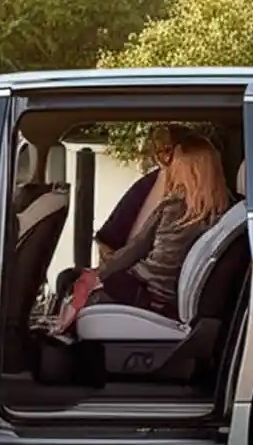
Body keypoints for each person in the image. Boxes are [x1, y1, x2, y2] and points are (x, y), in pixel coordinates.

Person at [87, 133, 231, 318]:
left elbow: (137, 248)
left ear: (183, 170)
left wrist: (99, 273)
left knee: (71, 280)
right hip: (170, 297)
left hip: (147, 292)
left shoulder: (174, 206)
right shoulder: (224, 211)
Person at [93, 124, 195, 264]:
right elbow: (108, 240)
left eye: (168, 150)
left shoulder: (195, 196)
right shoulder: (148, 184)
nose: (163, 157)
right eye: (158, 150)